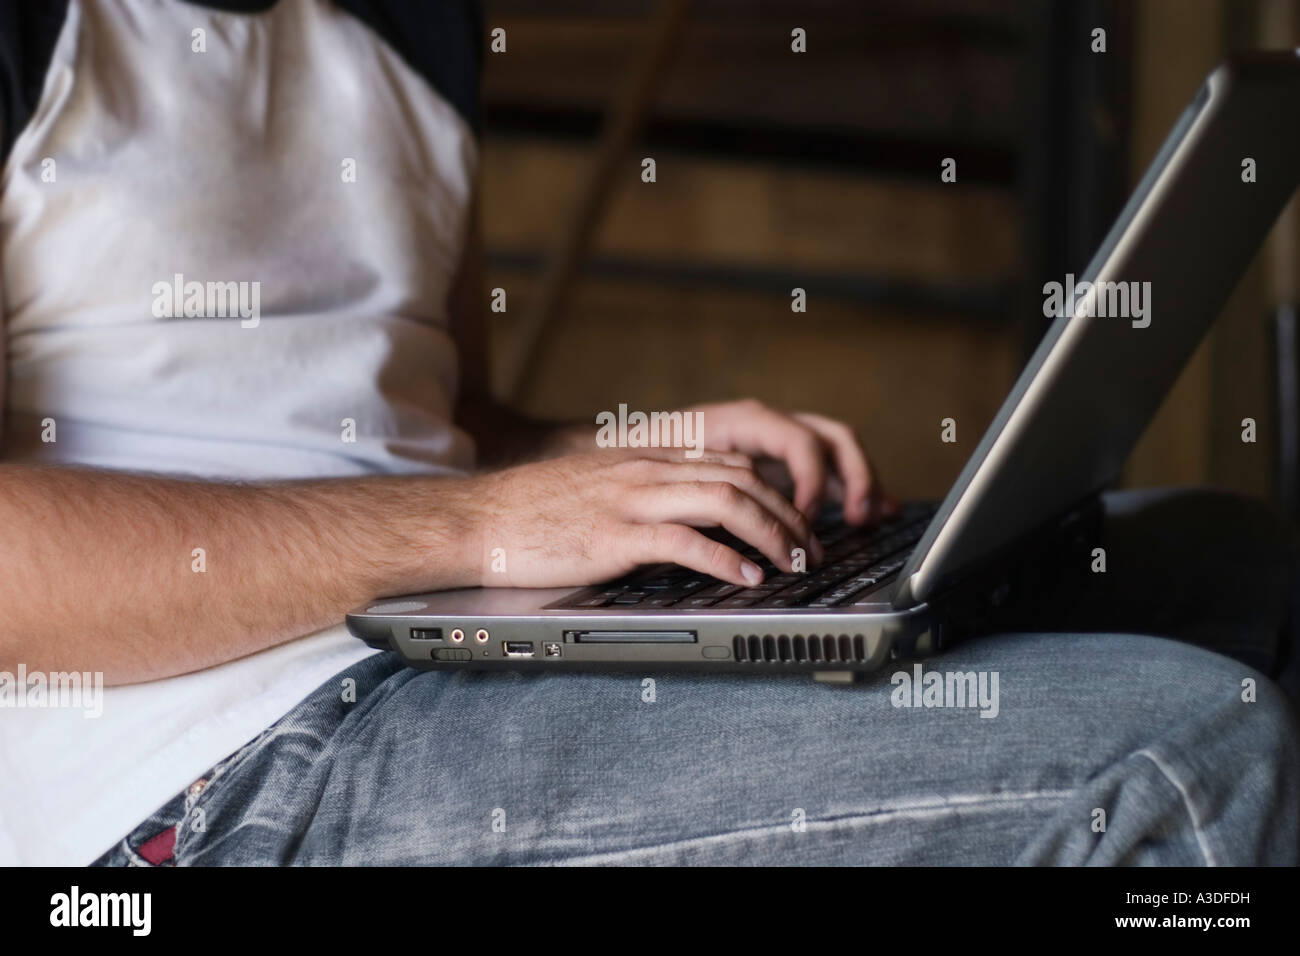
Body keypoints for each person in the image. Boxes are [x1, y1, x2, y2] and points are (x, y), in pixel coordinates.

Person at [0, 0, 1295, 866]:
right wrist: (474, 526)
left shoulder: (412, 23)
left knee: (1239, 573)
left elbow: (429, 425)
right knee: (1184, 746)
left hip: (447, 639)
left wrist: (627, 458)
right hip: (191, 779)